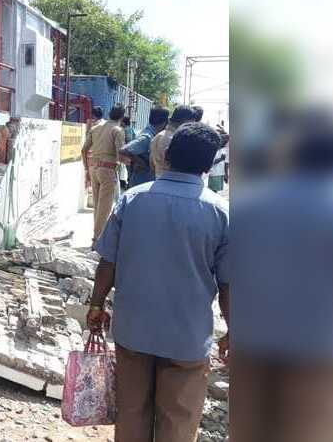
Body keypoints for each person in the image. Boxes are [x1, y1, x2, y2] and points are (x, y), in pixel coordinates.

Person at [228, 114, 333, 442]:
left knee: (250, 429)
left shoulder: (250, 207)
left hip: (252, 341)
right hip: (318, 348)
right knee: (306, 430)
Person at [88, 122, 230, 442]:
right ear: (209, 165)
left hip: (133, 330)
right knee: (178, 421)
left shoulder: (132, 200)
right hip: (187, 339)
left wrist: (96, 305)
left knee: (131, 412)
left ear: (166, 154)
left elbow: (108, 262)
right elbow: (229, 284)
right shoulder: (222, 213)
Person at [83, 104, 125, 244]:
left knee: (97, 206)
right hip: (107, 170)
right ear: (121, 116)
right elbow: (121, 153)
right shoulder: (117, 130)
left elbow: (84, 150)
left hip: (93, 168)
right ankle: (97, 240)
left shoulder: (96, 128)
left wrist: (86, 169)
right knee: (105, 208)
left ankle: (97, 236)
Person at [120, 107, 170, 188]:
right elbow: (123, 150)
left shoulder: (153, 134)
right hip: (140, 182)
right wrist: (141, 162)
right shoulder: (147, 137)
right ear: (164, 122)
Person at [150, 105, 194, 177]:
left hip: (158, 178)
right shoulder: (175, 139)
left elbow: (151, 164)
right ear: (186, 121)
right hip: (172, 180)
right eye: (191, 123)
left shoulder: (157, 137)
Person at [118, 116, 135, 189]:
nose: (120, 123)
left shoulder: (126, 130)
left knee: (129, 170)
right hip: (130, 153)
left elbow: (129, 141)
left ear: (124, 123)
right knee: (128, 170)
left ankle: (129, 186)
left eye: (121, 122)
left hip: (128, 154)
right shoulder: (131, 129)